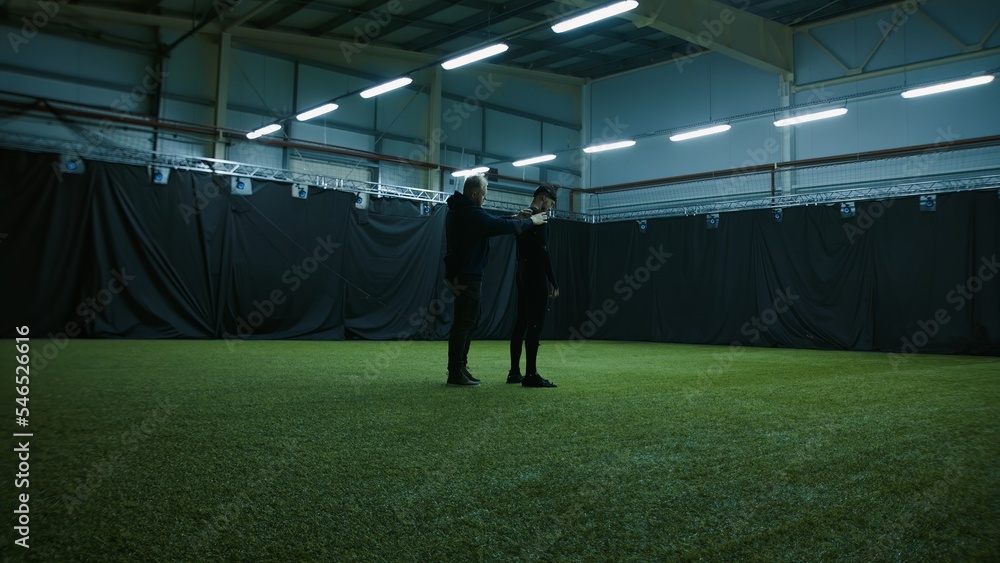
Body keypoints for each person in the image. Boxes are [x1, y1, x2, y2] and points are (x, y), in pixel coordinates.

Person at [444, 174, 547, 387]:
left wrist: (516, 218)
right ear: (474, 194)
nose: (485, 198)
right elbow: (496, 225)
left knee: (468, 321)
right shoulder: (468, 213)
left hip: (464, 274)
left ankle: (460, 367)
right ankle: (455, 372)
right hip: (466, 276)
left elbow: (492, 223)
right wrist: (530, 221)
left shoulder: (464, 211)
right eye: (484, 194)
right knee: (464, 323)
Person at [508, 185, 559, 388]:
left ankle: (514, 372)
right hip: (535, 273)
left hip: (521, 271)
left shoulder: (522, 217)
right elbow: (543, 251)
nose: (551, 208)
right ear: (544, 198)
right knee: (535, 323)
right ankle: (531, 374)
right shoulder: (540, 218)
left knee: (521, 322)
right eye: (551, 203)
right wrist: (553, 281)